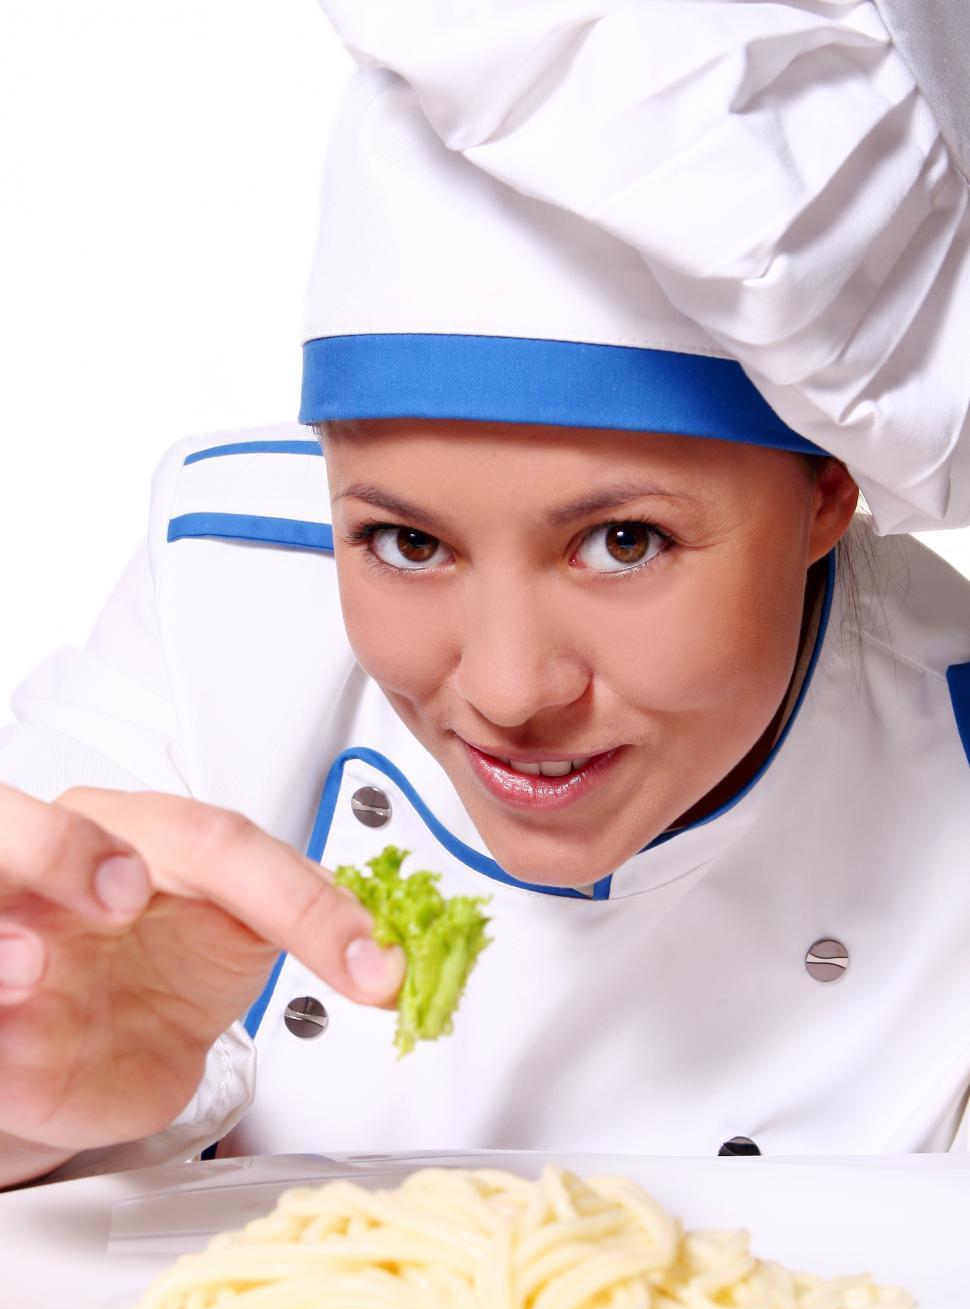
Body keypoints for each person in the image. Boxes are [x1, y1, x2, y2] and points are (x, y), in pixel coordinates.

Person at [1, 0, 969, 1188]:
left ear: (828, 493)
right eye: (406, 543)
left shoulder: (951, 749)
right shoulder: (228, 591)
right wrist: (40, 1110)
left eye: (623, 542)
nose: (510, 694)